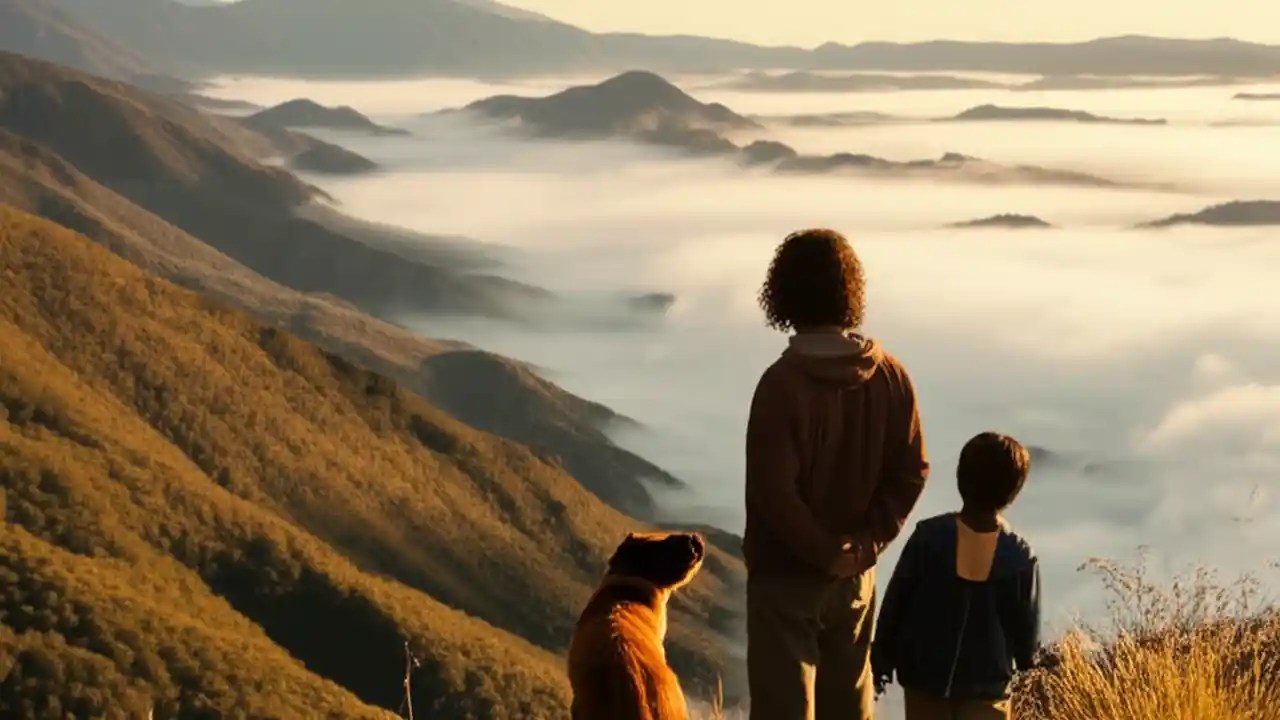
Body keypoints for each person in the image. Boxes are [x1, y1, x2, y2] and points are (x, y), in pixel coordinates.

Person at [745, 228, 930, 720]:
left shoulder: (781, 385)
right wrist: (864, 547)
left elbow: (773, 492)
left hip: (785, 579)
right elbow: (910, 472)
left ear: (783, 293)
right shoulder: (891, 376)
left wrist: (825, 553)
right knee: (849, 709)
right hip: (855, 580)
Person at [871, 432, 1041, 720]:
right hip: (987, 692)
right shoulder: (1019, 555)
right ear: (1014, 490)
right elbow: (1026, 637)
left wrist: (881, 662)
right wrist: (1033, 664)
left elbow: (895, 606)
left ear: (961, 479)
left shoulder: (929, 538)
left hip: (924, 683)